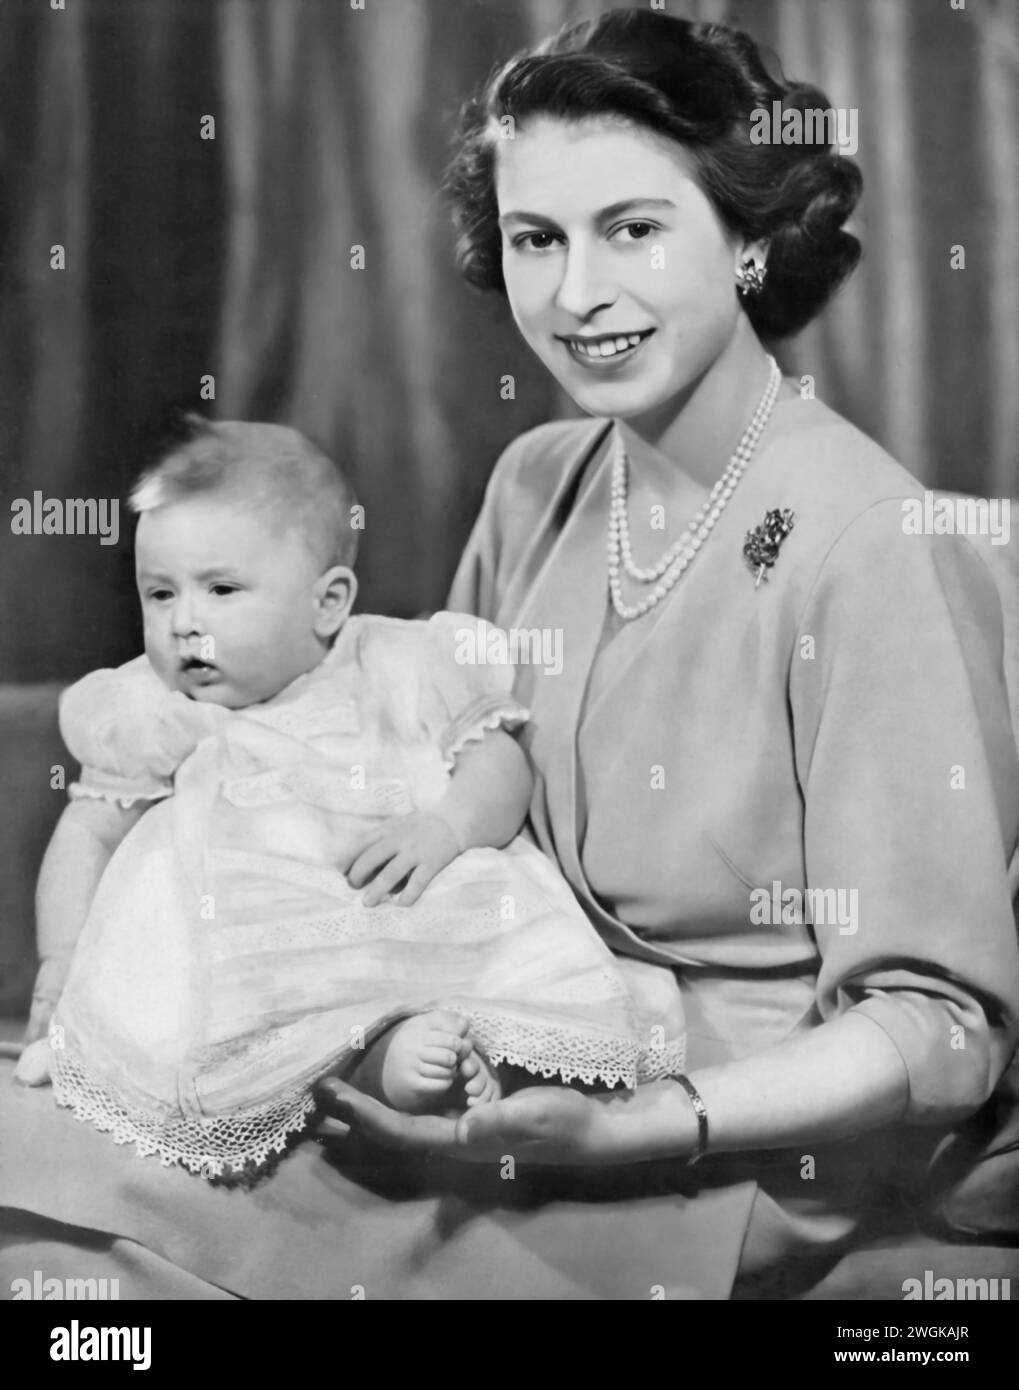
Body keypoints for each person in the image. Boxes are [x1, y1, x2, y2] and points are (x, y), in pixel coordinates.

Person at [1, 9, 1016, 1299]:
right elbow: (419, 770)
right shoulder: (536, 479)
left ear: (752, 240)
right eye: (537, 238)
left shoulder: (870, 544)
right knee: (43, 1163)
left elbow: (937, 1026)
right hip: (491, 1050)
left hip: (727, 1141)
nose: (575, 292)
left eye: (633, 228)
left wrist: (644, 1121)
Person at [14, 415, 684, 1178]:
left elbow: (498, 762)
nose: (184, 624)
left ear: (328, 602)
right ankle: (379, 1072)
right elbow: (89, 831)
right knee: (230, 1030)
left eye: (221, 589)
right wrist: (62, 957)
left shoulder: (399, 662)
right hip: (249, 961)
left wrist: (446, 827)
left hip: (399, 915)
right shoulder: (152, 708)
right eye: (159, 594)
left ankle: (469, 1061)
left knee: (499, 969)